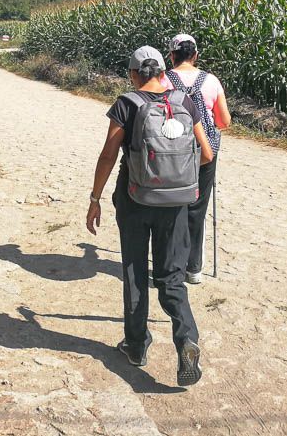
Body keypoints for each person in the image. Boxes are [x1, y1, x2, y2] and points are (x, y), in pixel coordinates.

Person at [86, 45, 214, 386]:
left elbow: (108, 155)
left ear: (133, 74)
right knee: (172, 277)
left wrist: (95, 198)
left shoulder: (127, 104)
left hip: (136, 199)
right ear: (162, 72)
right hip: (176, 203)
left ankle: (137, 344)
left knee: (135, 271)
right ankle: (186, 339)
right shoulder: (184, 102)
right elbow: (206, 154)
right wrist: (178, 175)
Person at [162, 33, 232, 284]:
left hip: (172, 151)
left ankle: (172, 264)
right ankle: (194, 268)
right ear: (195, 55)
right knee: (197, 207)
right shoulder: (211, 81)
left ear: (172, 56)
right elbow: (224, 121)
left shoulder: (163, 79)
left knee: (172, 205)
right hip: (205, 152)